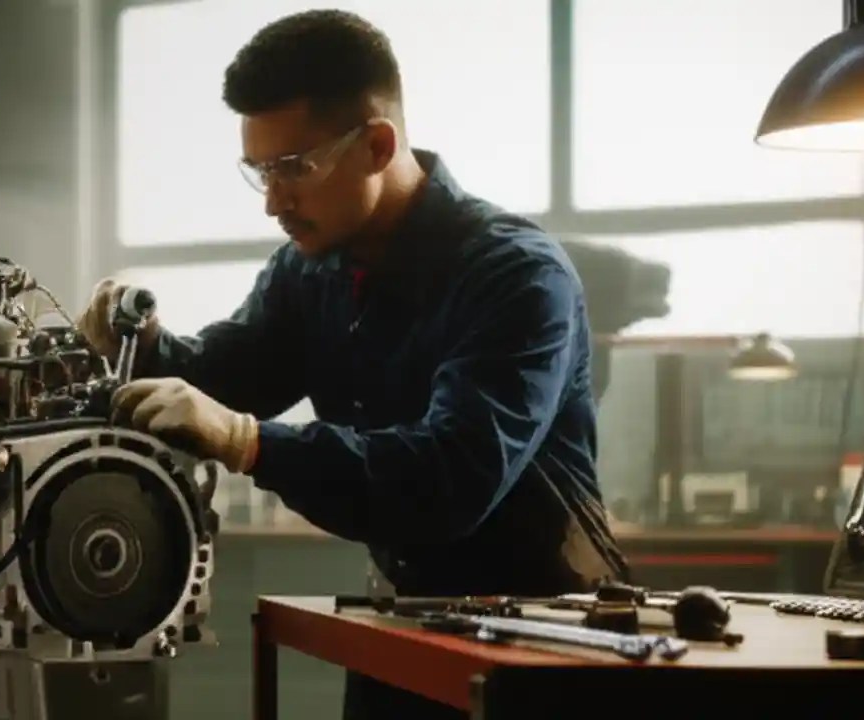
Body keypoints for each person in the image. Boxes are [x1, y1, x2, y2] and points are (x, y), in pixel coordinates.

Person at [79, 9, 629, 719]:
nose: (274, 201)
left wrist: (248, 443)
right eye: (259, 173)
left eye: (293, 169)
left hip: (544, 645)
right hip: (405, 624)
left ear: (376, 144)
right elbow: (234, 374)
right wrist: (144, 342)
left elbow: (448, 480)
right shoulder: (310, 271)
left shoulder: (516, 277)